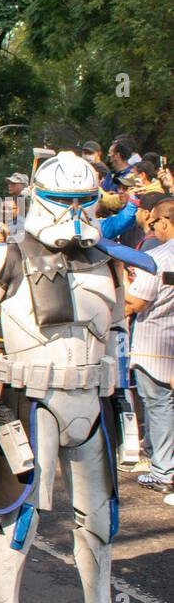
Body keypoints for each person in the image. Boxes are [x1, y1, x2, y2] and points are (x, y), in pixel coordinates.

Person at [0, 150, 152, 603]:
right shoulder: (4, 257)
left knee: (101, 516)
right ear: (39, 197)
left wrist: (122, 399)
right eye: (64, 200)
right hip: (30, 399)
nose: (75, 211)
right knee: (19, 516)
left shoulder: (107, 260)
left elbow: (118, 334)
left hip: (92, 399)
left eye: (84, 201)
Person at [125, 199, 174, 493]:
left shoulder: (156, 258)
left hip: (152, 343)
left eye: (153, 223)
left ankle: (162, 469)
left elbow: (137, 302)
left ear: (164, 222)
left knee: (158, 406)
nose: (152, 228)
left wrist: (120, 276)